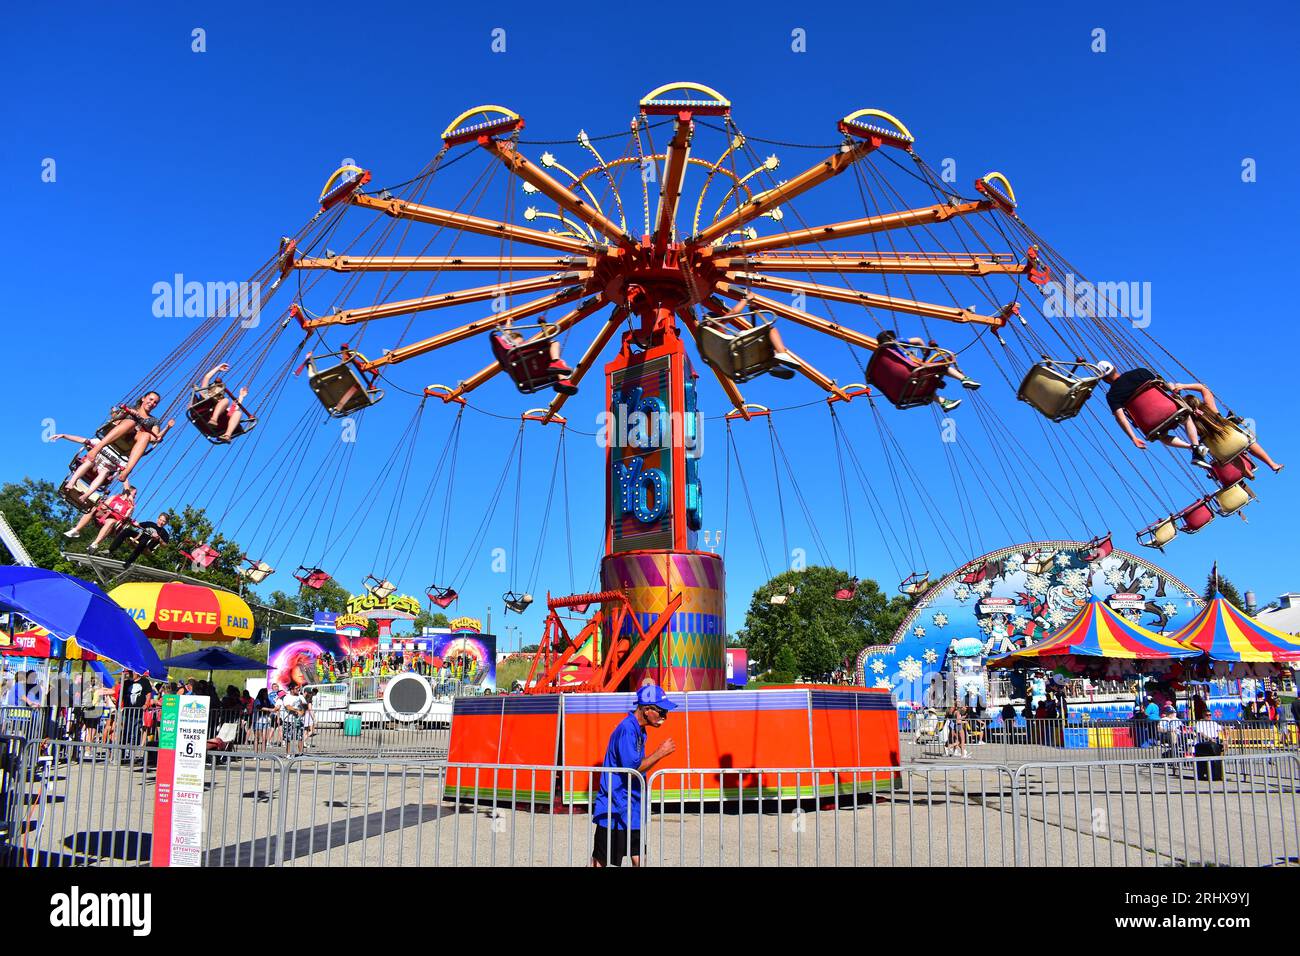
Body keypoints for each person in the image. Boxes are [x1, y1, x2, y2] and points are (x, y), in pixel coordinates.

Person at [591, 684, 677, 867]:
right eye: (661, 712)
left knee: (638, 855)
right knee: (600, 861)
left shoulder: (638, 729)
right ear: (646, 710)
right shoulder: (628, 729)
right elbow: (634, 769)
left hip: (630, 808)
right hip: (614, 809)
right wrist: (660, 752)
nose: (665, 717)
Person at [64, 392, 175, 494]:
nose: (152, 403)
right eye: (150, 400)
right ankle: (97, 448)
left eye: (155, 402)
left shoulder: (154, 421)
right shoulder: (132, 408)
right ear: (143, 398)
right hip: (119, 432)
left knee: (146, 435)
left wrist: (167, 428)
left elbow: (155, 438)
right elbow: (115, 418)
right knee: (130, 423)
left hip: (132, 442)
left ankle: (127, 470)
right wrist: (126, 413)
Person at [875, 329, 977, 413]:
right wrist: (924, 352)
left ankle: (943, 402)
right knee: (943, 366)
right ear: (891, 338)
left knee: (923, 388)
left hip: (900, 390)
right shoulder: (895, 343)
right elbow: (918, 340)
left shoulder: (880, 359)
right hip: (912, 375)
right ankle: (964, 378)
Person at [197, 363, 250, 443]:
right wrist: (218, 368)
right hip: (204, 415)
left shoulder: (222, 404)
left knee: (238, 413)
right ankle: (213, 419)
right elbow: (207, 377)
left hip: (219, 426)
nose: (218, 392)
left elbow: (233, 409)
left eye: (220, 393)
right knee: (226, 400)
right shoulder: (205, 394)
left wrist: (241, 396)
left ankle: (227, 435)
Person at [107, 513, 171, 568]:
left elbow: (165, 545)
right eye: (160, 520)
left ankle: (128, 562)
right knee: (126, 531)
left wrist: (159, 539)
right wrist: (133, 522)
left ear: (166, 523)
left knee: (143, 542)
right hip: (140, 537)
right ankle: (110, 550)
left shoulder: (164, 533)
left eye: (164, 521)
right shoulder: (150, 523)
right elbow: (137, 525)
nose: (161, 522)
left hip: (147, 544)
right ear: (158, 519)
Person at [278, 683, 307, 757]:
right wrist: (297, 710)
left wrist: (302, 712)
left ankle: (300, 753)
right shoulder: (286, 697)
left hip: (299, 720)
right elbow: (288, 707)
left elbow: (304, 706)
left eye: (298, 688)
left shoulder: (300, 697)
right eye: (296, 688)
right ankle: (288, 754)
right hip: (289, 720)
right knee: (288, 738)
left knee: (300, 737)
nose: (298, 690)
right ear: (291, 689)